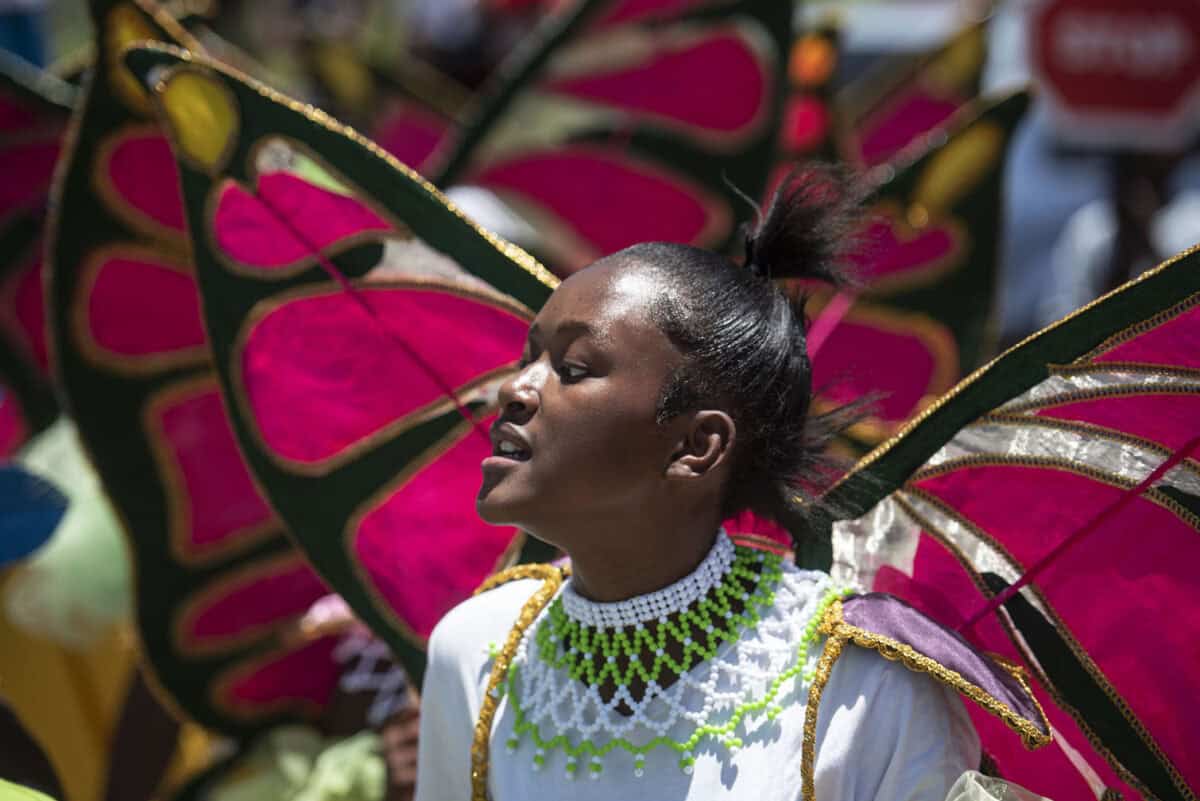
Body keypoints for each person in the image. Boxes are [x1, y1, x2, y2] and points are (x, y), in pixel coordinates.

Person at [413, 168, 1046, 801]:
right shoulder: (477, 648)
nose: (514, 388)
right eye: (530, 358)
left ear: (696, 446)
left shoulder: (863, 686)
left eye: (573, 369)